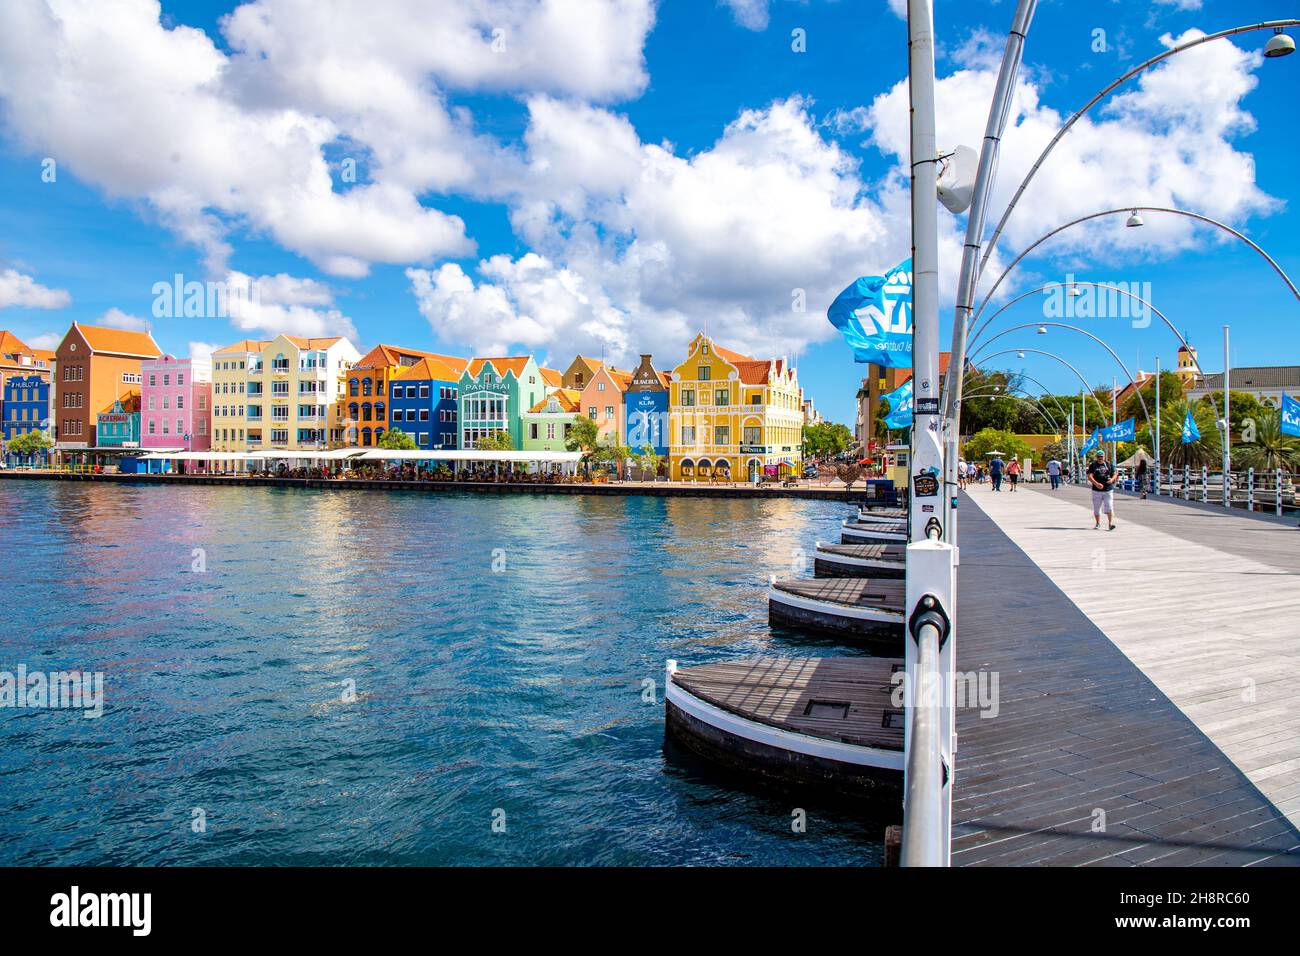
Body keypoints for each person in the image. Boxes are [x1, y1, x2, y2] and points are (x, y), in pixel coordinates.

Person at [1087, 450, 1117, 530]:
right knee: (1097, 508)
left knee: (1109, 507)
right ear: (1096, 457)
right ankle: (1098, 523)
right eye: (1098, 456)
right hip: (1096, 490)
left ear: (1104, 456)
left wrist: (1112, 480)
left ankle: (1110, 524)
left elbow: (1115, 473)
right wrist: (1096, 483)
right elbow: (1090, 476)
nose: (1100, 458)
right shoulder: (1093, 465)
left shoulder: (1109, 464)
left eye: (1101, 456)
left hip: (1108, 489)